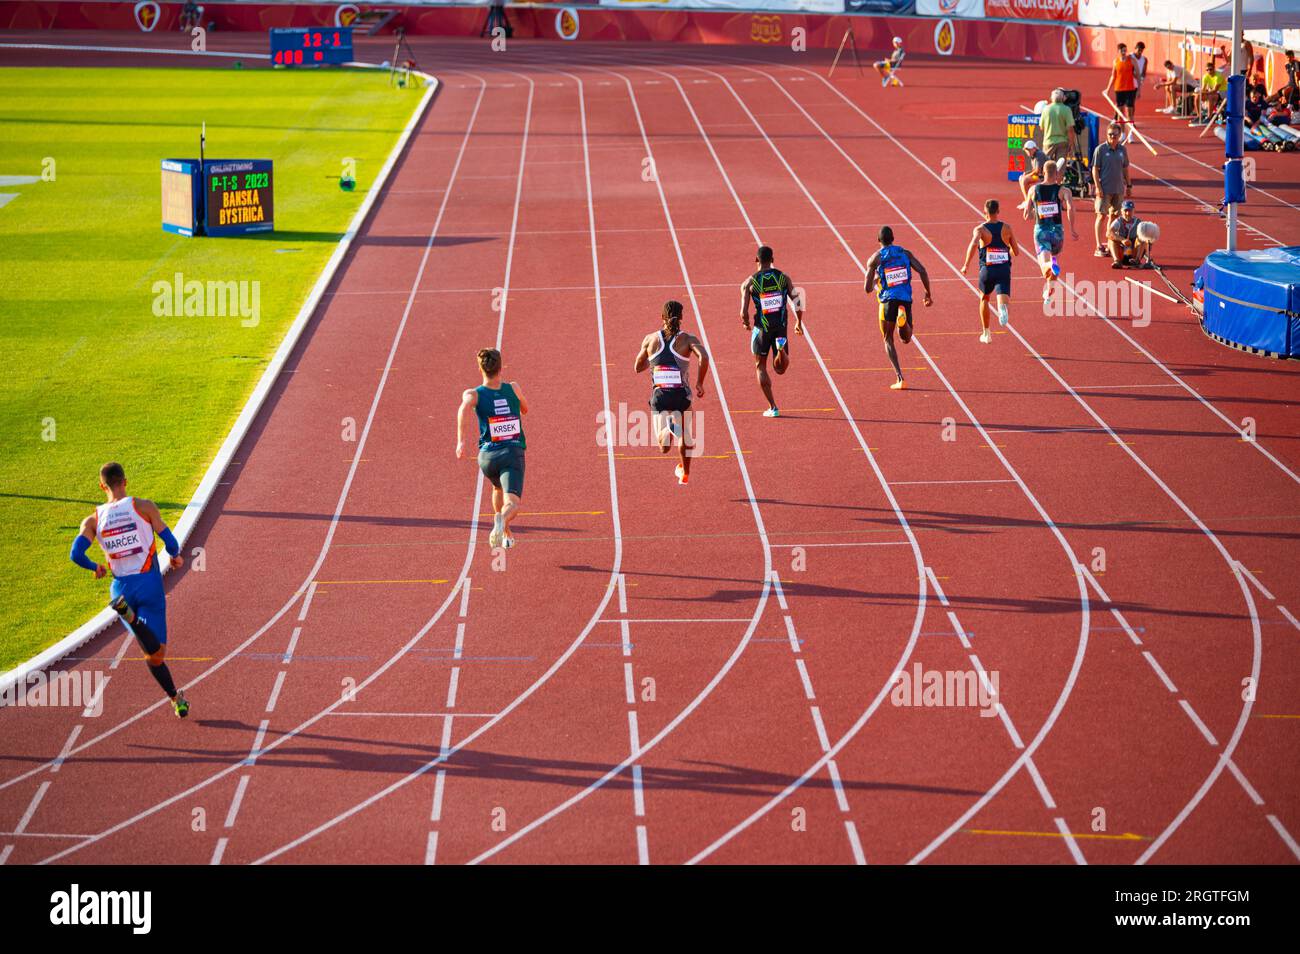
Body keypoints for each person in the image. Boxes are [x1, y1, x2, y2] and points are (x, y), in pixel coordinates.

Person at [69, 462, 189, 718]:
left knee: (151, 655)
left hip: (120, 589)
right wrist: (175, 556)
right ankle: (133, 618)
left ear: (102, 486)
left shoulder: (93, 520)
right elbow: (170, 541)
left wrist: (95, 566)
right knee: (157, 653)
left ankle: (175, 697)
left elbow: (75, 554)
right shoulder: (143, 506)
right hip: (149, 585)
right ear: (125, 481)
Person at [456, 349, 527, 548]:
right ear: (501, 367)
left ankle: (505, 532)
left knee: (497, 487)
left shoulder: (473, 394)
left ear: (480, 369)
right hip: (511, 452)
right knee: (512, 503)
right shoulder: (513, 388)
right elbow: (526, 408)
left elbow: (462, 409)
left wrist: (461, 441)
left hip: (487, 457)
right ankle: (502, 521)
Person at [634, 300, 710, 485]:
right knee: (685, 433)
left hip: (660, 397)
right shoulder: (689, 339)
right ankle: (685, 472)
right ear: (682, 317)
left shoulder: (650, 339)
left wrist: (653, 361)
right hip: (680, 396)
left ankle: (667, 430)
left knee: (664, 447)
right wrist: (700, 382)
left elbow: (637, 367)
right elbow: (704, 356)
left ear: (662, 317)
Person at [863, 227, 931, 391]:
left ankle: (900, 378)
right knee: (906, 339)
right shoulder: (905, 253)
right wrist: (928, 293)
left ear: (878, 241)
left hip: (887, 301)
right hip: (905, 299)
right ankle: (903, 323)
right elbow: (922, 270)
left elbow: (867, 288)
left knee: (888, 339)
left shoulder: (875, 259)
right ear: (893, 238)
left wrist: (877, 279)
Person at [740, 245, 803, 418]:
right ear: (773, 260)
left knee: (760, 366)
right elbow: (797, 300)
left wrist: (745, 323)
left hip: (761, 328)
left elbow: (743, 311)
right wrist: (799, 322)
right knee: (781, 369)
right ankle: (780, 349)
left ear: (756, 260)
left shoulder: (750, 283)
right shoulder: (783, 278)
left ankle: (773, 407)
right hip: (780, 327)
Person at [960, 199, 1020, 344]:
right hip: (1003, 269)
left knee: (984, 298)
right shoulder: (1007, 228)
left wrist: (966, 265)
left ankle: (986, 333)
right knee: (1002, 295)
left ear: (984, 212)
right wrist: (1004, 253)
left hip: (987, 270)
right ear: (998, 211)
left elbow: (973, 245)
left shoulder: (980, 230)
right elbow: (1016, 251)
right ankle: (1002, 309)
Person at [1023, 160, 1078, 303]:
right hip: (1058, 232)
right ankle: (1048, 293)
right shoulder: (1064, 191)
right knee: (1054, 263)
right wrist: (1072, 229)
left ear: (1042, 172)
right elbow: (1071, 208)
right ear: (1057, 173)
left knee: (1044, 264)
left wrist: (1036, 210)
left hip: (1041, 231)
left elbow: (1026, 216)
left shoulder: (1033, 190)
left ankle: (1049, 265)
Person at [1091, 122, 1131, 258]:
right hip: (1104, 189)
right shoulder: (1100, 150)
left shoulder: (1122, 150)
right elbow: (1095, 169)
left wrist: (1129, 185)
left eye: (1115, 135)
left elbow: (1125, 168)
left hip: (1118, 189)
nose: (1112, 137)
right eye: (1109, 134)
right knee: (1101, 216)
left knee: (1114, 217)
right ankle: (1098, 244)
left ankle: (1110, 241)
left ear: (1120, 135)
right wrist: (1097, 187)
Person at [1105, 42, 1139, 143]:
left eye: (1125, 50)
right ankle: (1123, 134)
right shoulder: (1115, 61)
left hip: (1130, 89)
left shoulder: (1131, 60)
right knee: (1120, 112)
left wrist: (1139, 88)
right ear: (1118, 51)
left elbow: (1137, 74)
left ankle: (1130, 134)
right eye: (1122, 50)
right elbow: (1113, 76)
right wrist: (1107, 89)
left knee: (1129, 112)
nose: (1124, 52)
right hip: (1119, 89)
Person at [1107, 199, 1151, 269]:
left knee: (1143, 237)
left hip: (1134, 253)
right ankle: (1117, 261)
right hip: (1121, 254)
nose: (1128, 213)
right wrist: (1122, 240)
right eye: (1125, 211)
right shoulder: (1118, 221)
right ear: (1121, 211)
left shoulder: (1138, 222)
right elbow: (1108, 233)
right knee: (1111, 239)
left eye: (1130, 211)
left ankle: (1137, 260)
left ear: (1134, 211)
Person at [1039, 88, 1077, 163]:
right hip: (1062, 142)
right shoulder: (1066, 109)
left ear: (1051, 98)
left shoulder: (1046, 109)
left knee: (1047, 166)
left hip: (1048, 142)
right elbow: (1070, 129)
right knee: (1060, 167)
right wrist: (1071, 144)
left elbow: (1041, 127)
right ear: (1063, 98)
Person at [1195, 60, 1226, 125]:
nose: (1209, 71)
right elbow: (1203, 89)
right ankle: (1199, 116)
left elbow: (1215, 90)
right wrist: (1200, 93)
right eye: (1207, 70)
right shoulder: (1205, 76)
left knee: (1210, 96)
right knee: (1197, 96)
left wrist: (1205, 93)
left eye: (1210, 69)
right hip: (1214, 93)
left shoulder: (1218, 76)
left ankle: (1209, 117)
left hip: (1223, 93)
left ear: (1214, 69)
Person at [1016, 139, 1046, 209]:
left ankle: (1028, 203)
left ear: (1034, 149)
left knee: (1025, 180)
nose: (1028, 151)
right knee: (1021, 177)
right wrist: (1026, 173)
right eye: (1026, 150)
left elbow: (1037, 171)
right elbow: (1035, 170)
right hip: (1039, 176)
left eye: (1029, 149)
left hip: (1044, 177)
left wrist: (1027, 175)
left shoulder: (1039, 155)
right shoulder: (1033, 156)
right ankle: (1028, 200)